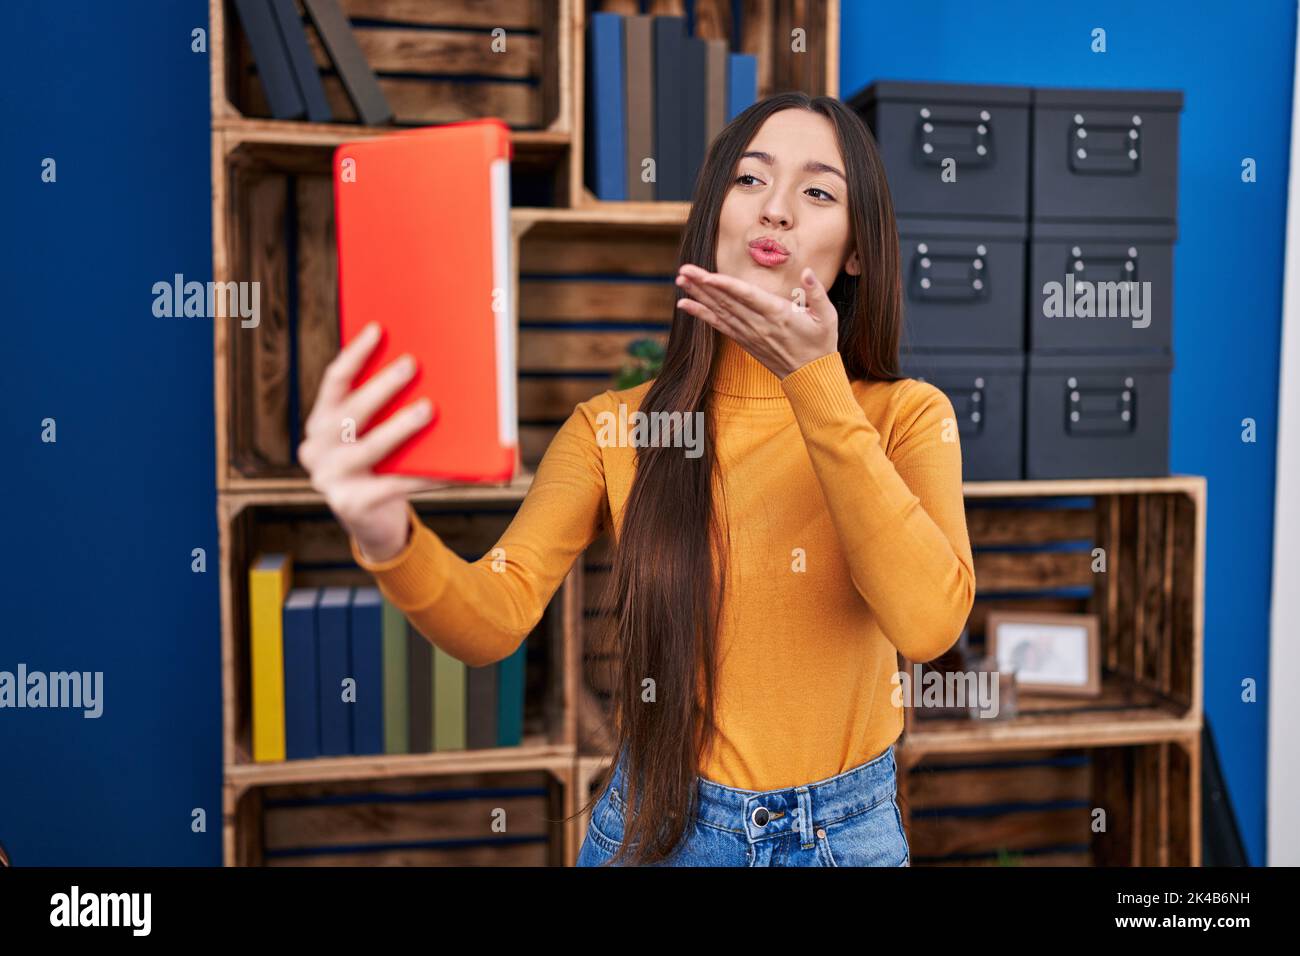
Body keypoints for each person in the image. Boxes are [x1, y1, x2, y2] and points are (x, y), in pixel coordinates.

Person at [298, 91, 976, 867]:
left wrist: (815, 382)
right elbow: (491, 622)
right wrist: (384, 534)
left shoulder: (907, 417)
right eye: (750, 180)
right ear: (712, 213)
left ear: (856, 249)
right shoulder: (612, 427)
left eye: (819, 192)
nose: (777, 210)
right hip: (663, 829)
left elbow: (929, 628)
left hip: (847, 837)